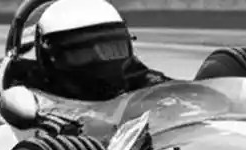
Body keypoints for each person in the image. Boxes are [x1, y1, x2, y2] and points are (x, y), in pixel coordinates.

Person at [27, 0, 170, 102]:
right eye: (83, 54)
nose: (103, 63)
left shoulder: (136, 76)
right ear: (49, 58)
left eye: (114, 50)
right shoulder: (29, 97)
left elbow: (172, 89)